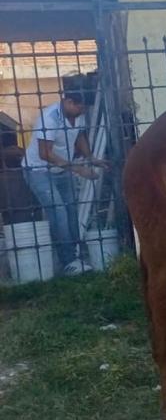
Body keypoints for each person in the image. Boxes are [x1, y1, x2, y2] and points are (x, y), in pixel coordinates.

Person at [23, 73, 108, 275]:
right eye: (79, 107)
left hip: (62, 169)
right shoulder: (50, 118)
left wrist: (91, 158)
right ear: (68, 101)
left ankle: (74, 256)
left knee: (71, 211)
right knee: (58, 211)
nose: (82, 112)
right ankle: (68, 261)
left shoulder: (77, 115)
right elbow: (45, 153)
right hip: (38, 171)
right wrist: (77, 168)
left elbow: (78, 136)